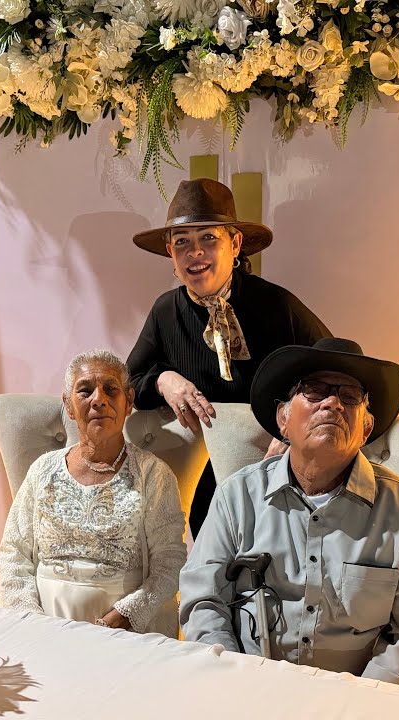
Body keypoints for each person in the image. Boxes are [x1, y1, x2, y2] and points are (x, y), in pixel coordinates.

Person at [178, 338, 399, 687]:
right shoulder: (236, 496)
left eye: (349, 397)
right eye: (315, 391)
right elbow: (203, 601)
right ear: (283, 420)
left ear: (366, 428)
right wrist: (236, 683)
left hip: (357, 702)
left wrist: (358, 704)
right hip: (247, 690)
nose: (333, 403)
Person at [127, 178, 331, 536]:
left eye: (209, 238)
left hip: (278, 466)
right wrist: (164, 380)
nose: (195, 253)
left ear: (235, 245)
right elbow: (126, 385)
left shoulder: (275, 304)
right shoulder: (165, 312)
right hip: (206, 477)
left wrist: (292, 430)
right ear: (170, 254)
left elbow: (334, 366)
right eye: (182, 243)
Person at [0, 350, 187, 635]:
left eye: (111, 389)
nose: (99, 399)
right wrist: (32, 622)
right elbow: (13, 553)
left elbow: (169, 562)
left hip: (123, 632)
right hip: (42, 626)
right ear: (69, 406)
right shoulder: (42, 470)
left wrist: (126, 616)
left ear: (128, 403)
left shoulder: (153, 475)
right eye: (85, 391)